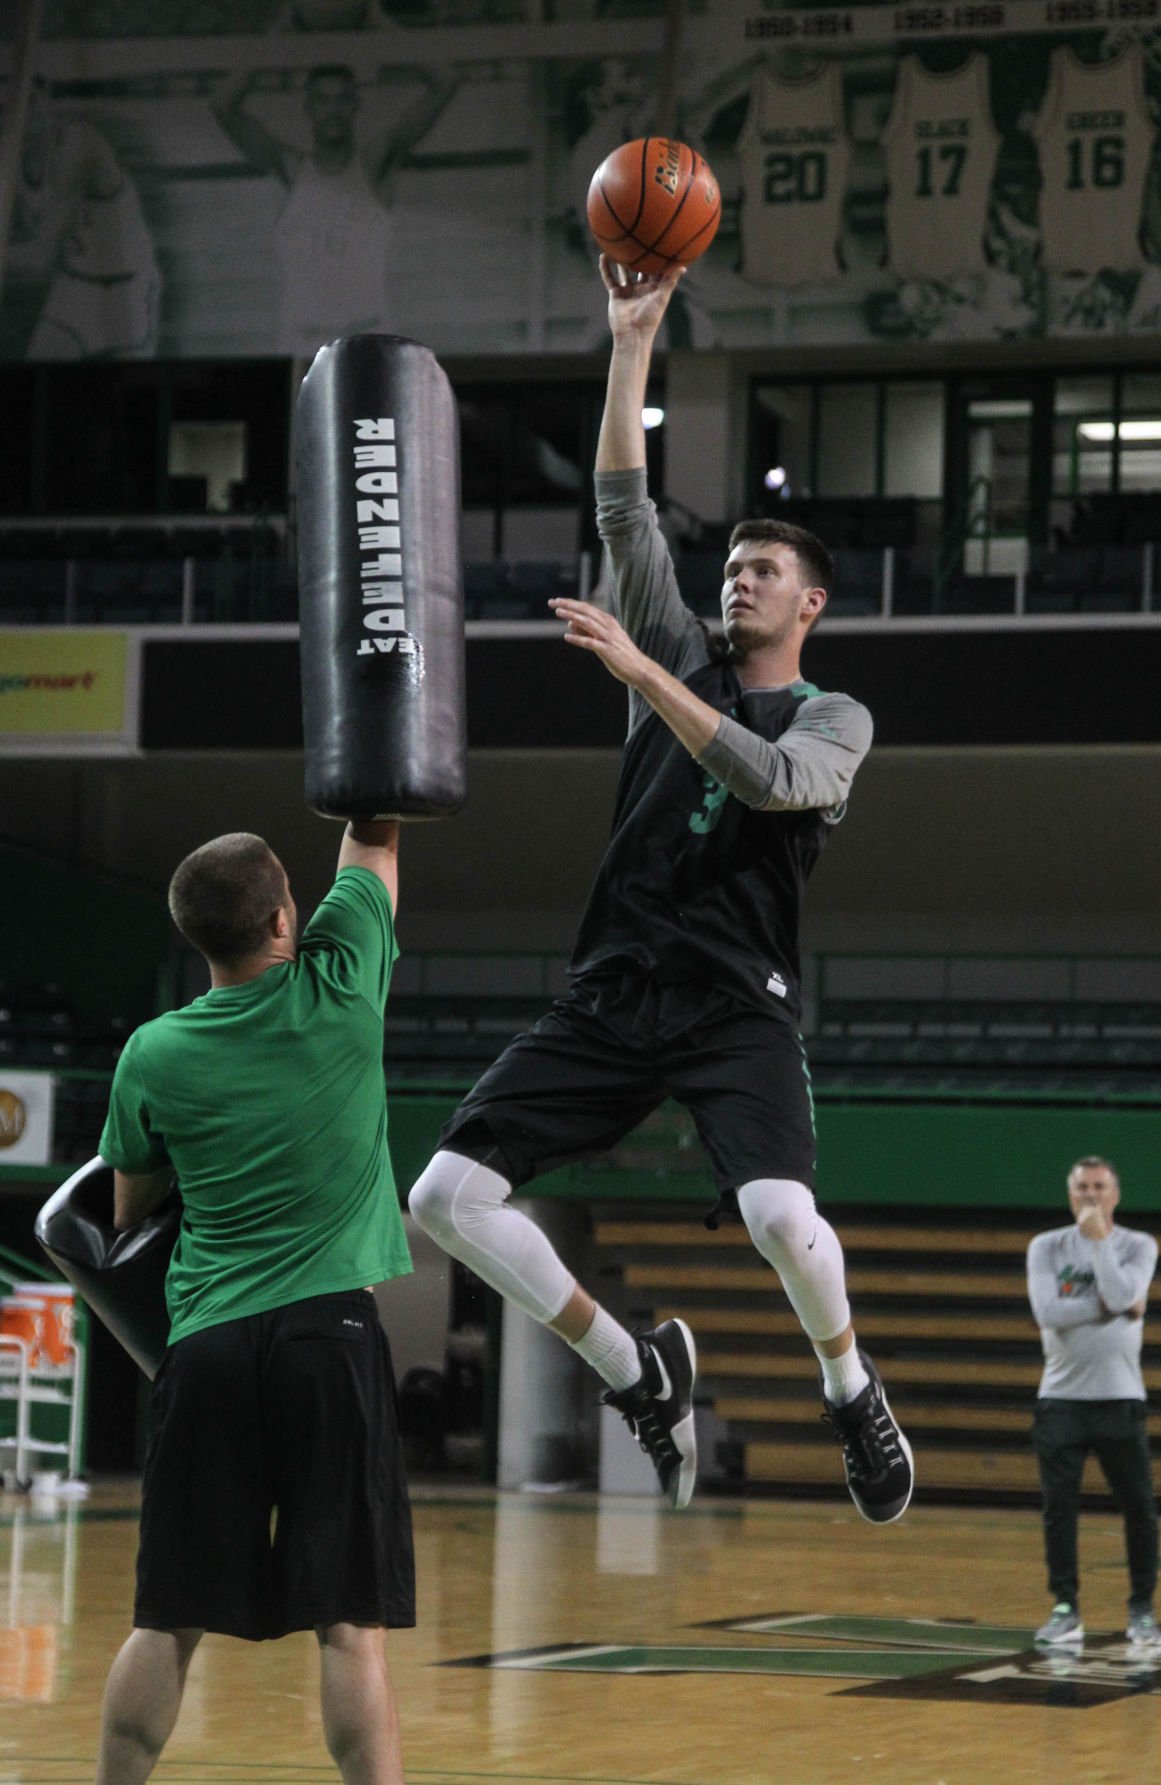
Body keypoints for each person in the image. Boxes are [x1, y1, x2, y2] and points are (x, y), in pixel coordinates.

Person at [410, 255, 914, 1525]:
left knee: (781, 1218)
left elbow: (764, 782)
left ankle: (851, 1392)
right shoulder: (678, 644)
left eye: (764, 570)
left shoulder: (832, 714)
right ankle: (634, 1371)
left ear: (811, 603)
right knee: (443, 1198)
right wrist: (631, 340)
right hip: (615, 985)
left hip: (738, 1000)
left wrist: (643, 671)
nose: (738, 575)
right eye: (734, 562)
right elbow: (626, 505)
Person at [94, 824, 413, 1785]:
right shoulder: (343, 983)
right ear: (286, 920)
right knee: (349, 1629)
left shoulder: (152, 1051)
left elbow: (126, 1208)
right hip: (331, 1338)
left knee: (167, 1620)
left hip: (210, 1347)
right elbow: (375, 832)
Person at [213, 63, 457, 357]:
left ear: (355, 105)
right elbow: (222, 105)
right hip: (302, 340)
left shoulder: (372, 166)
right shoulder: (290, 169)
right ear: (309, 108)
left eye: (342, 99)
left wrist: (384, 29)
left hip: (367, 335)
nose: (333, 109)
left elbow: (446, 81)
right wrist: (271, 47)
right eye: (323, 100)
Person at [1027, 1154, 1159, 1651]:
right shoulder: (1046, 1246)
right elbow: (1047, 1312)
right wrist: (1112, 1304)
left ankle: (1143, 1610)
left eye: (1099, 1187)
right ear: (1070, 1193)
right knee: (1058, 1510)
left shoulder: (1138, 1244)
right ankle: (1065, 1609)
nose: (1090, 1196)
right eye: (1081, 1187)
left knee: (1140, 1510)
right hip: (1060, 1399)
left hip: (1121, 1399)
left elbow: (1127, 1290)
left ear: (1116, 1194)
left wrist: (1101, 1242)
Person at [6, 77, 159, 359]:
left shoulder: (78, 144)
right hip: (73, 285)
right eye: (9, 107)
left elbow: (38, 259)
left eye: (32, 101)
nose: (25, 113)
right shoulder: (12, 159)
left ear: (47, 101)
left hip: (125, 287)